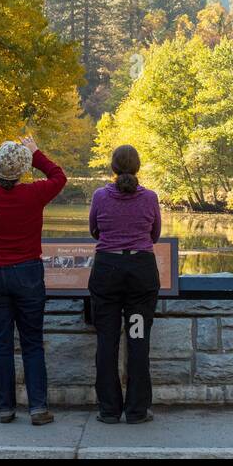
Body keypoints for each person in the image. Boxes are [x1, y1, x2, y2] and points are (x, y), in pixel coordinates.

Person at [0, 135, 66, 425]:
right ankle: (37, 408)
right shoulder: (34, 193)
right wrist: (35, 152)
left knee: (1, 344)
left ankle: (5, 409)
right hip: (26, 272)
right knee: (32, 342)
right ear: (23, 169)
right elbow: (58, 176)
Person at [88, 144, 162, 425]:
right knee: (138, 339)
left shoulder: (100, 196)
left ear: (113, 168)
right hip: (140, 276)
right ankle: (137, 410)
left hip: (107, 271)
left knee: (106, 340)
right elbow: (154, 234)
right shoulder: (150, 198)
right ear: (138, 167)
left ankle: (108, 410)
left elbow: (94, 230)